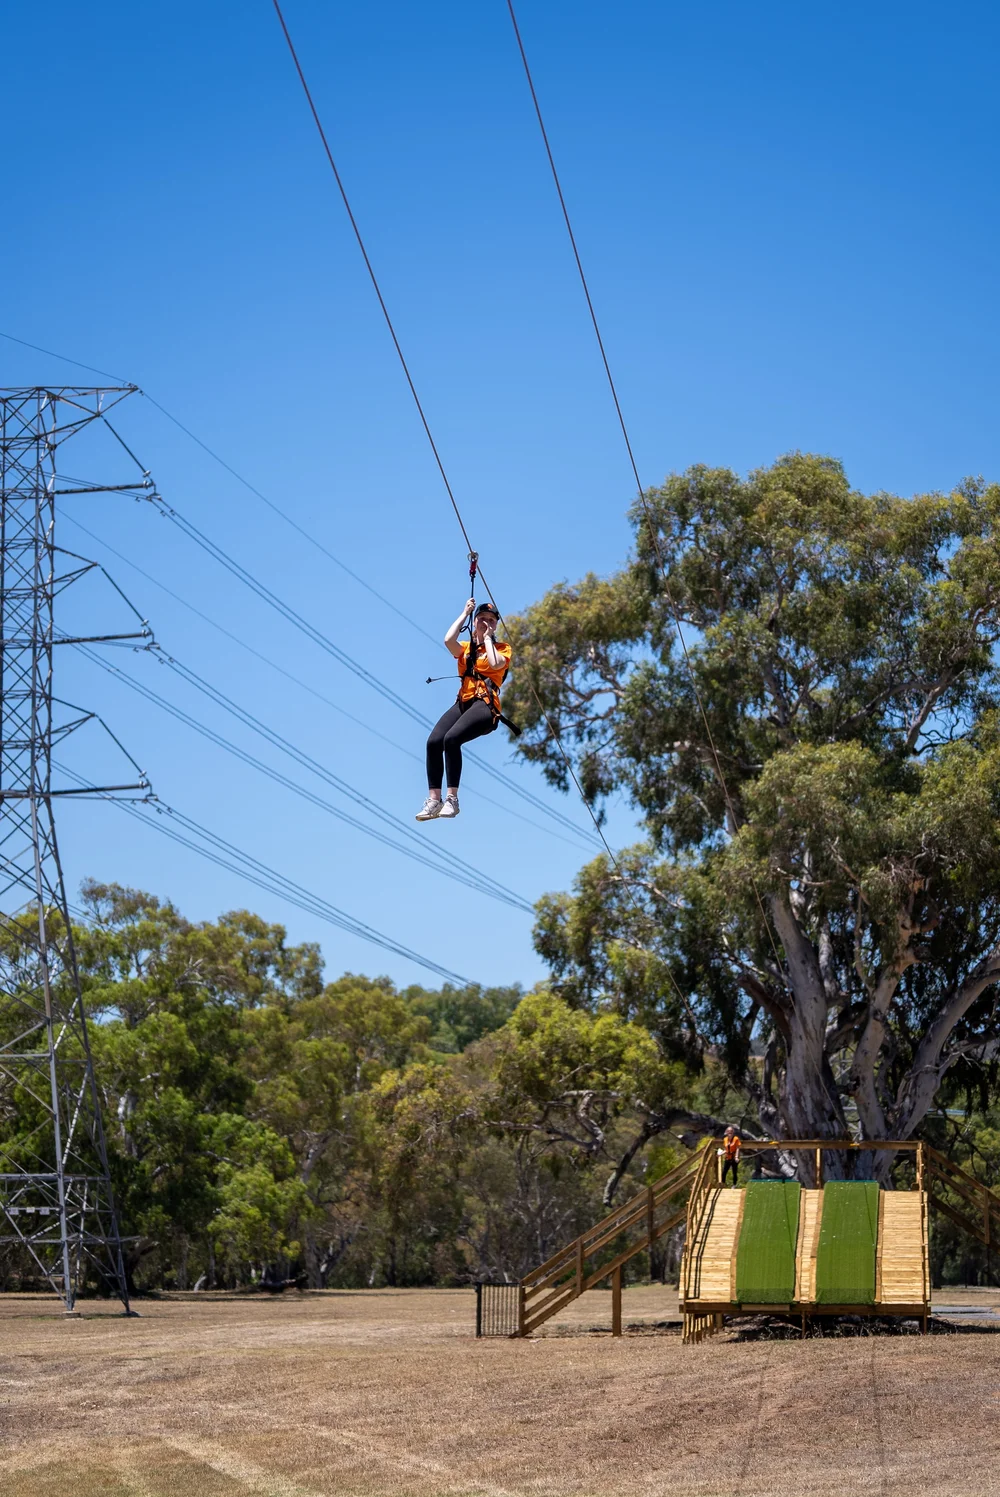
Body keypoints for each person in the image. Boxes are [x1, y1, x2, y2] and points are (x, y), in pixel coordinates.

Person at [416, 599, 512, 821]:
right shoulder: (466, 648)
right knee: (433, 742)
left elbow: (496, 664)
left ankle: (452, 799)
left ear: (496, 625)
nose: (486, 623)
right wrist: (464, 613)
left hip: (485, 705)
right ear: (475, 621)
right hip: (464, 702)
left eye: (491, 621)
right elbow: (448, 640)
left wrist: (487, 638)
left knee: (451, 739)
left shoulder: (502, 648)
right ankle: (434, 800)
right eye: (482, 619)